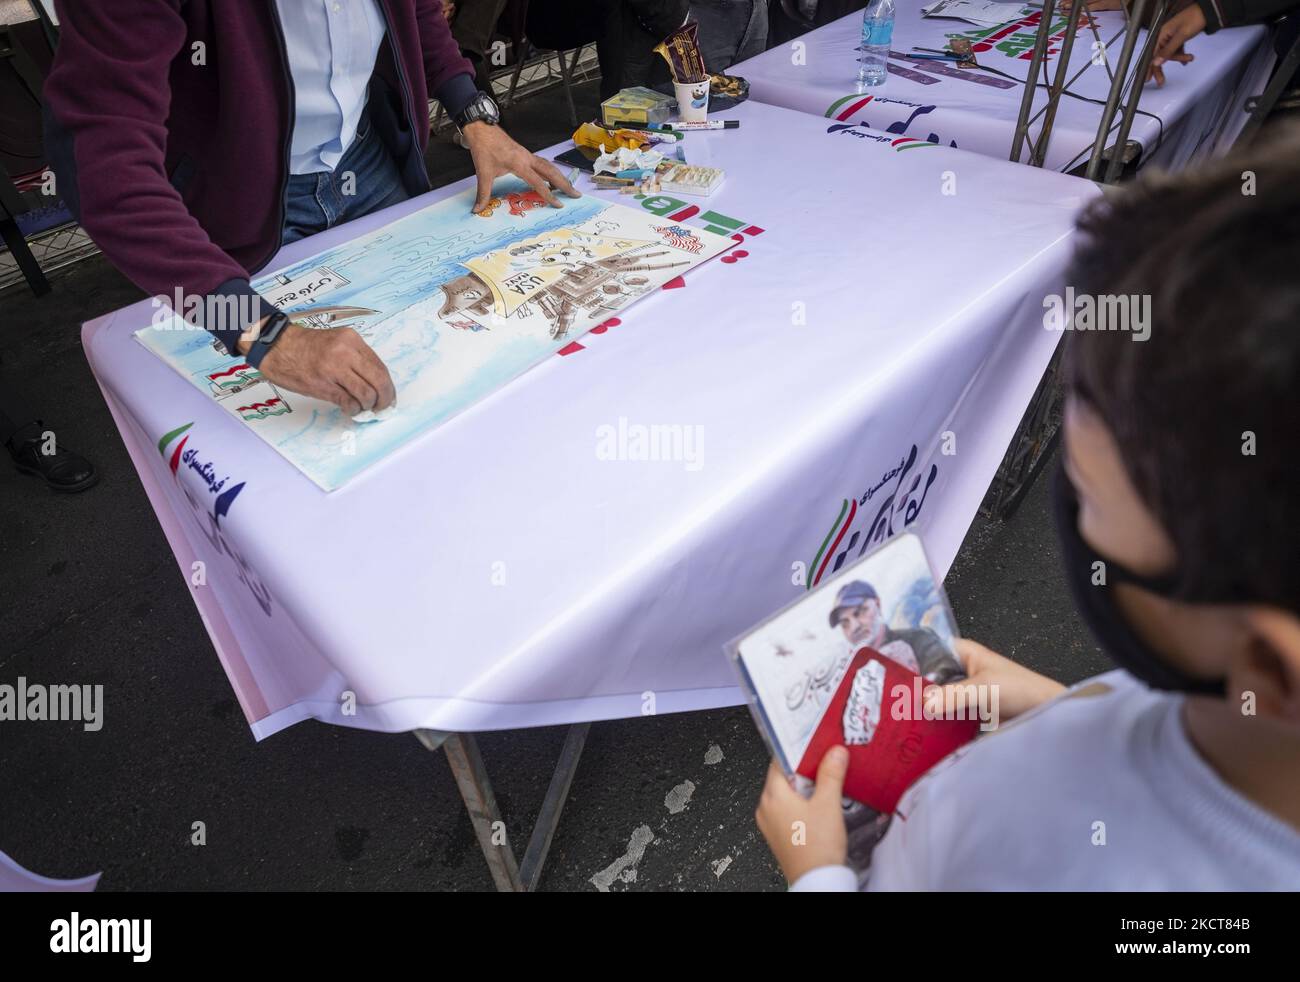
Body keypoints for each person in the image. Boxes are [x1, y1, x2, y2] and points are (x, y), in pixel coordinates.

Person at [757, 131, 1300, 890]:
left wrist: (817, 876)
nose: (1070, 514)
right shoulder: (1243, 724)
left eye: (1089, 494)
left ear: (1271, 666)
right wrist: (1060, 706)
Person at [42, 0, 579, 419]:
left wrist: (473, 111)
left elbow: (413, 15)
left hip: (368, 162)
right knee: (293, 415)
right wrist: (257, 330)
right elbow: (102, 161)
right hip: (238, 202)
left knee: (442, 364)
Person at [827, 580, 960, 683]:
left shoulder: (918, 639)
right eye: (845, 623)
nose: (854, 626)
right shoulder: (848, 674)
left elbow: (949, 672)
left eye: (860, 612)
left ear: (877, 604)